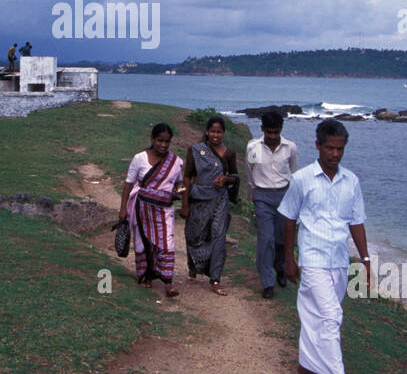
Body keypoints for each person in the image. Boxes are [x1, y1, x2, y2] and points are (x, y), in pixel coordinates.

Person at [278, 119, 370, 374]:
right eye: (329, 147)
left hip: (339, 261)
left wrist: (365, 260)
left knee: (318, 317)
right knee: (331, 317)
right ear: (317, 146)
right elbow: (289, 218)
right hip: (313, 259)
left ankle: (305, 369)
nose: (335, 154)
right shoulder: (302, 179)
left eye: (340, 149)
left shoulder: (351, 181)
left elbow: (356, 221)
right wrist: (289, 258)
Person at [119, 123, 186, 298]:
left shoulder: (175, 162)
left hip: (164, 209)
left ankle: (168, 283)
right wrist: (123, 209)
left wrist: (179, 191)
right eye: (160, 141)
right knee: (144, 242)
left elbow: (179, 182)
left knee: (166, 243)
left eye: (167, 142)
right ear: (152, 139)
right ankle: (146, 276)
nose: (163, 145)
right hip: (142, 208)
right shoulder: (139, 159)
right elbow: (128, 184)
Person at [179, 115, 238, 296]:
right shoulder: (196, 150)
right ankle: (193, 269)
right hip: (198, 198)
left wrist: (226, 179)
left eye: (219, 131)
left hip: (219, 200)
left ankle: (215, 278)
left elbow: (235, 177)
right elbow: (187, 176)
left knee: (218, 238)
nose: (215, 135)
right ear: (206, 131)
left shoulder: (229, 153)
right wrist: (185, 203)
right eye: (212, 131)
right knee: (194, 234)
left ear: (223, 133)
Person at [244, 109, 298, 299]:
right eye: (269, 132)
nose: (273, 136)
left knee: (282, 239)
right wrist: (255, 191)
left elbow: (292, 170)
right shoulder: (253, 148)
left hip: (284, 195)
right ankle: (267, 282)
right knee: (266, 239)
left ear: (281, 129)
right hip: (262, 196)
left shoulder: (290, 147)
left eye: (276, 132)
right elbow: (250, 171)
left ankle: (281, 268)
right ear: (262, 129)